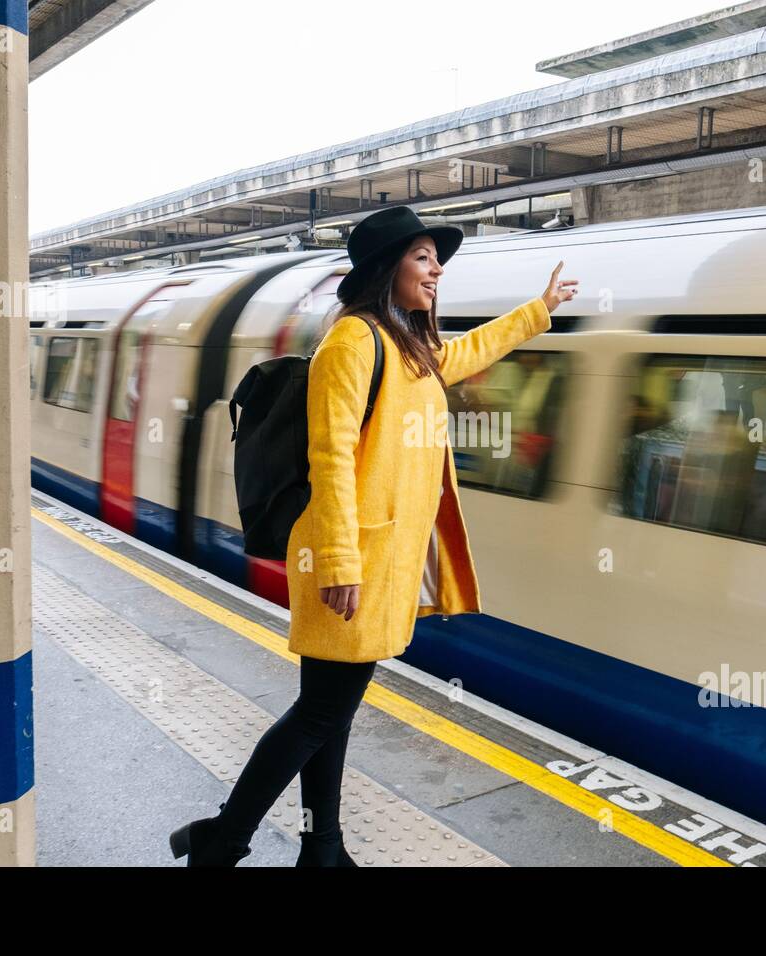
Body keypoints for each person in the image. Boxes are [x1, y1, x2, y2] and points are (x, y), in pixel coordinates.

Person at [169, 205, 578, 866]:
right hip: (349, 557)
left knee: (328, 712)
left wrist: (539, 308)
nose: (436, 269)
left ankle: (321, 848)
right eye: (422, 257)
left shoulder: (406, 345)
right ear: (387, 268)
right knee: (320, 715)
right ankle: (220, 840)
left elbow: (465, 352)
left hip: (380, 557)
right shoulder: (353, 342)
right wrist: (337, 561)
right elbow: (329, 457)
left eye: (436, 259)